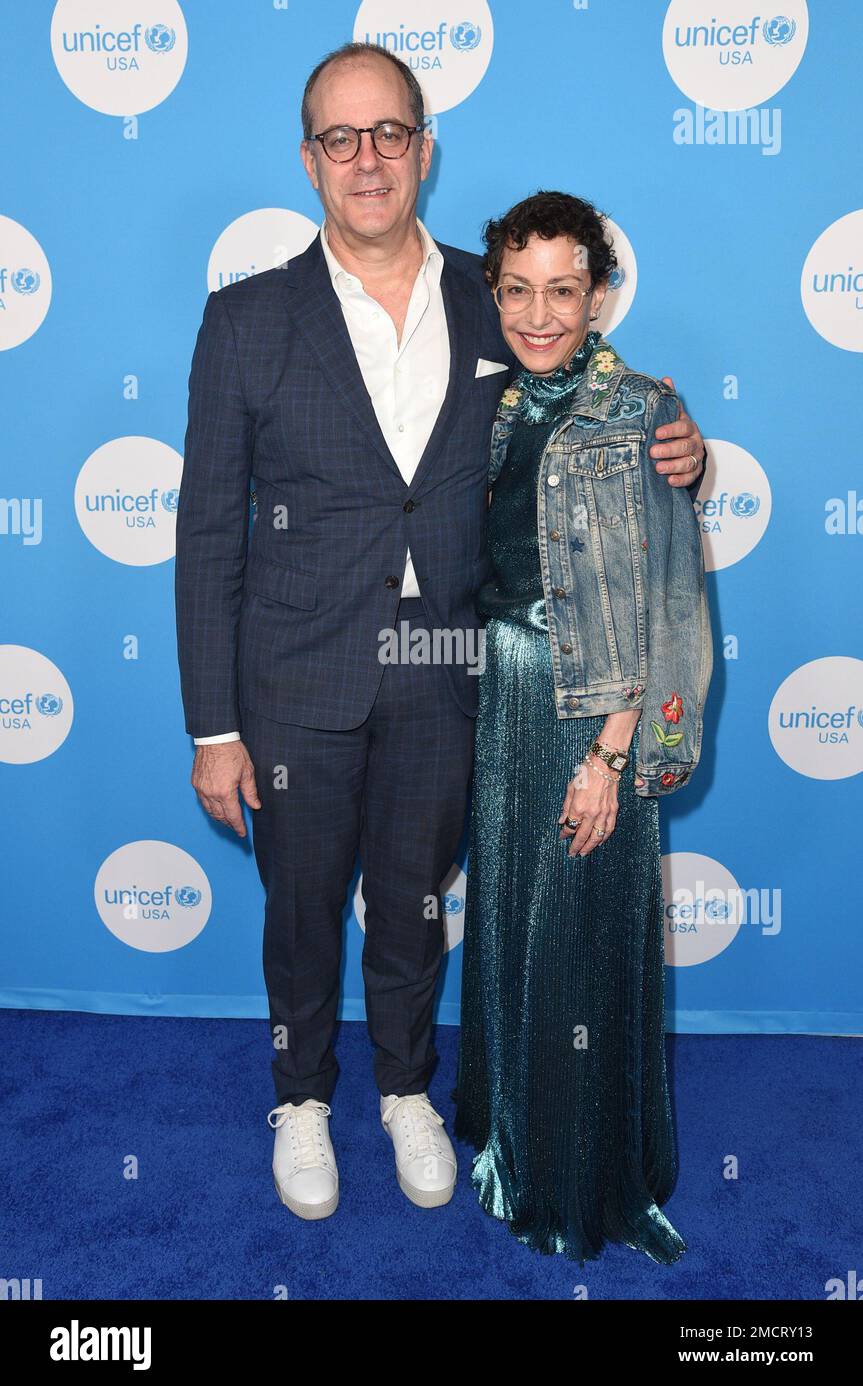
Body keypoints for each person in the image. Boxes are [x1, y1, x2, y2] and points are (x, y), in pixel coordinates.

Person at [174, 43, 707, 1223]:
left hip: (443, 673)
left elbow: (598, 398)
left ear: (424, 147)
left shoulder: (492, 293)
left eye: (389, 134)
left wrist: (680, 442)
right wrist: (213, 725)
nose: (367, 160)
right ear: (308, 157)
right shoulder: (245, 320)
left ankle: (405, 1088)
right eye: (339, 138)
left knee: (414, 900)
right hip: (294, 680)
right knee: (301, 907)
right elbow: (208, 534)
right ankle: (301, 1098)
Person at [453, 191, 712, 1265]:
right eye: (517, 289)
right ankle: (511, 1134)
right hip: (499, 689)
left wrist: (610, 753)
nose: (540, 312)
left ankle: (581, 1174)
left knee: (578, 933)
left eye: (563, 289)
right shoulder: (489, 404)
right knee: (514, 921)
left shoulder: (643, 411)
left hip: (586, 704)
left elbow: (660, 596)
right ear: (493, 293)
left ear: (598, 294)